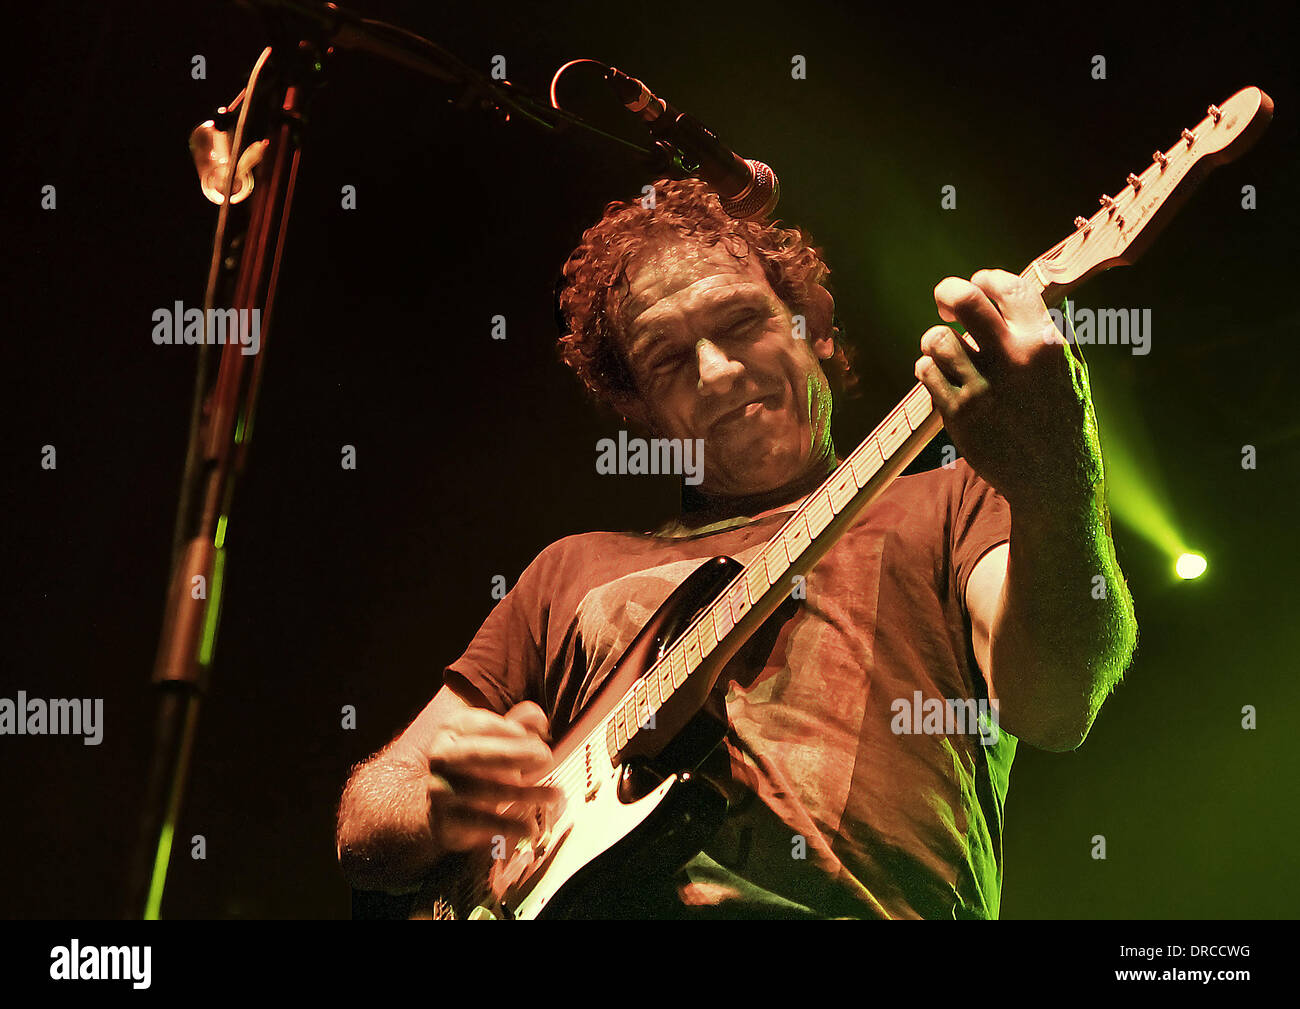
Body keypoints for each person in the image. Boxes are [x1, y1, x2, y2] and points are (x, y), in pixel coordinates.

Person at [335, 178, 1137, 918]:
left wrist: (1063, 468)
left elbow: (1055, 702)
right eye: (668, 359)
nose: (717, 374)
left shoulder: (963, 495)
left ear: (814, 327)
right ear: (639, 410)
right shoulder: (567, 568)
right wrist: (441, 806)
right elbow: (367, 820)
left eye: (741, 323)